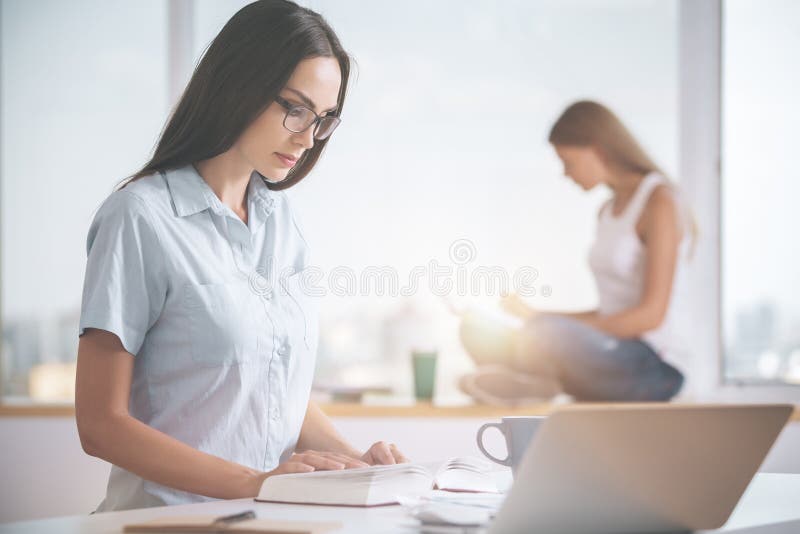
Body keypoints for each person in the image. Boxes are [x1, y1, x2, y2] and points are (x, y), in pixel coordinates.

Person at [75, 0, 406, 512]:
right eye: (294, 107)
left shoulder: (283, 224)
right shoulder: (139, 218)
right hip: (162, 522)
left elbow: (273, 395)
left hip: (261, 518)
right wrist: (259, 482)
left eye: (323, 119)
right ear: (239, 84)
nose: (307, 135)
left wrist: (358, 468)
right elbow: (101, 426)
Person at [459, 100, 692, 404]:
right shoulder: (607, 212)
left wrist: (551, 329)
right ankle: (536, 380)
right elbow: (607, 312)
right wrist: (538, 316)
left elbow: (650, 316)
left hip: (652, 366)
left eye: (567, 162)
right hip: (604, 354)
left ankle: (536, 380)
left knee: (544, 333)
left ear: (596, 148)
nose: (565, 174)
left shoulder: (659, 201)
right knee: (474, 328)